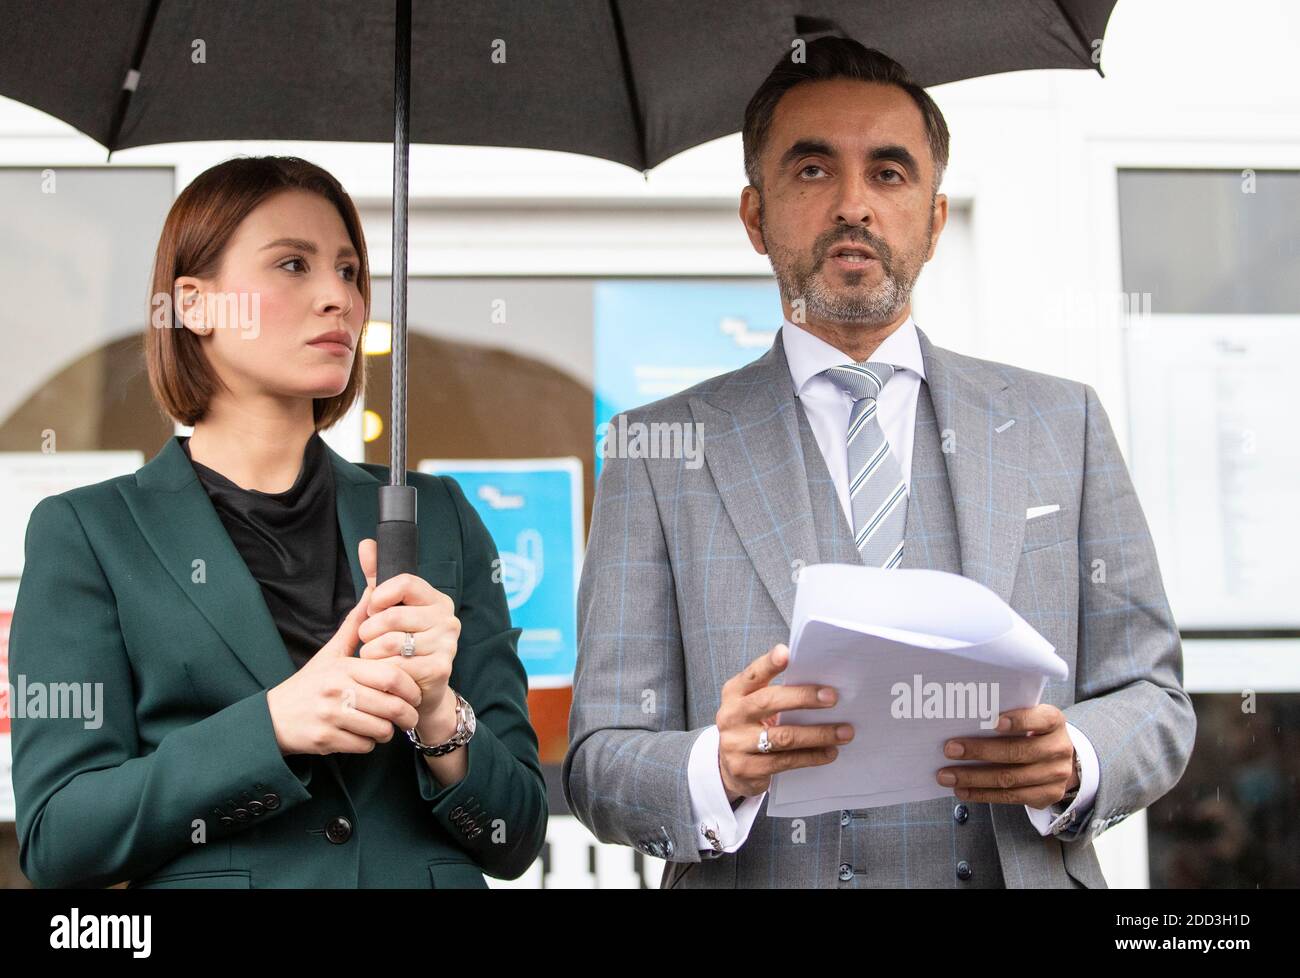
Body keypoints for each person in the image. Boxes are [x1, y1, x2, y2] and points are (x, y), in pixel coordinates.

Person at [563, 38, 1194, 888]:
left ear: (934, 221)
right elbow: (599, 759)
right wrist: (716, 766)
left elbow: (1153, 698)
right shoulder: (654, 451)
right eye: (814, 171)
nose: (854, 204)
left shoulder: (1062, 423)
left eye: (890, 173)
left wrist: (1077, 759)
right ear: (755, 216)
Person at [9, 156, 546, 888]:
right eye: (293, 264)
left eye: (352, 271)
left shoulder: (439, 517)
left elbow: (514, 839)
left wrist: (438, 714)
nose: (339, 298)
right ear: (194, 304)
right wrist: (271, 729)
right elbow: (58, 837)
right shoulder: (91, 534)